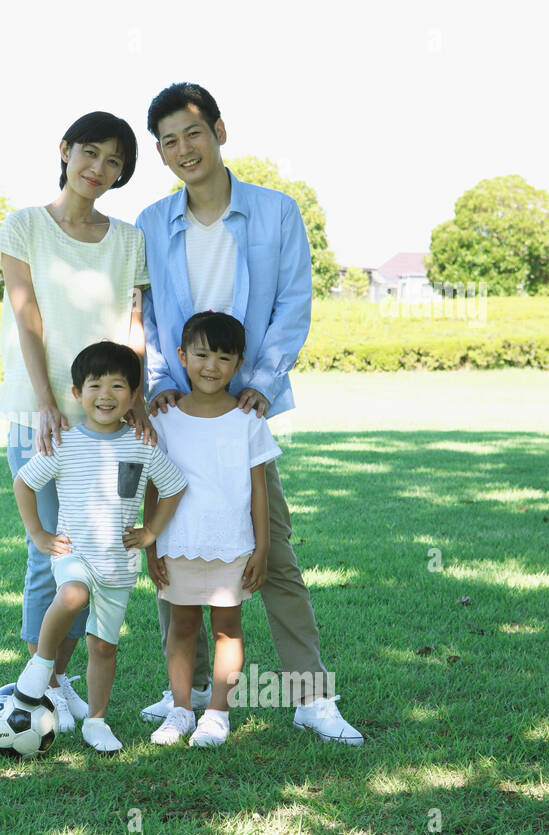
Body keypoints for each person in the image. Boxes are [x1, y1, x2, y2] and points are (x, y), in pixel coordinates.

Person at [135, 82, 363, 744]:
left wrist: (260, 382)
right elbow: (145, 316)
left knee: (275, 553)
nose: (183, 149)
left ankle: (311, 696)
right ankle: (190, 692)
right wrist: (155, 384)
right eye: (168, 141)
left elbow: (293, 303)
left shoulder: (275, 213)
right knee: (173, 540)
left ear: (219, 131)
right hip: (176, 410)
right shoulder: (152, 221)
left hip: (242, 409)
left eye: (193, 133)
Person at [0, 111, 154, 733]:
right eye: (90, 153)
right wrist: (44, 401)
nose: (99, 169)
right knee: (50, 554)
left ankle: (58, 680)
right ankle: (48, 683)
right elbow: (25, 310)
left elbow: (135, 324)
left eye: (114, 162)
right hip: (41, 415)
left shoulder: (129, 239)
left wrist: (134, 398)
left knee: (99, 547)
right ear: (65, 152)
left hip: (110, 421)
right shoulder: (25, 226)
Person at [12, 342, 185, 753]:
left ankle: (97, 720)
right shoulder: (65, 443)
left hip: (119, 566)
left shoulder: (142, 445)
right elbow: (24, 482)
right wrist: (38, 533)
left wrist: (151, 531)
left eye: (118, 386)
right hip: (74, 555)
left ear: (133, 394)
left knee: (103, 646)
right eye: (95, 385)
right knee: (72, 594)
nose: (105, 395)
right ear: (77, 393)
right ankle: (42, 666)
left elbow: (174, 486)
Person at [144, 311, 280, 747]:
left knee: (227, 629)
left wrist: (262, 548)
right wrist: (149, 541)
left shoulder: (248, 420)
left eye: (224, 357)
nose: (211, 366)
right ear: (182, 357)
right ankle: (181, 710)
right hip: (178, 541)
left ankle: (217, 713)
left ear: (239, 365)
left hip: (232, 543)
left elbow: (260, 491)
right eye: (201, 354)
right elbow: (153, 483)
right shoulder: (163, 419)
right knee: (181, 628)